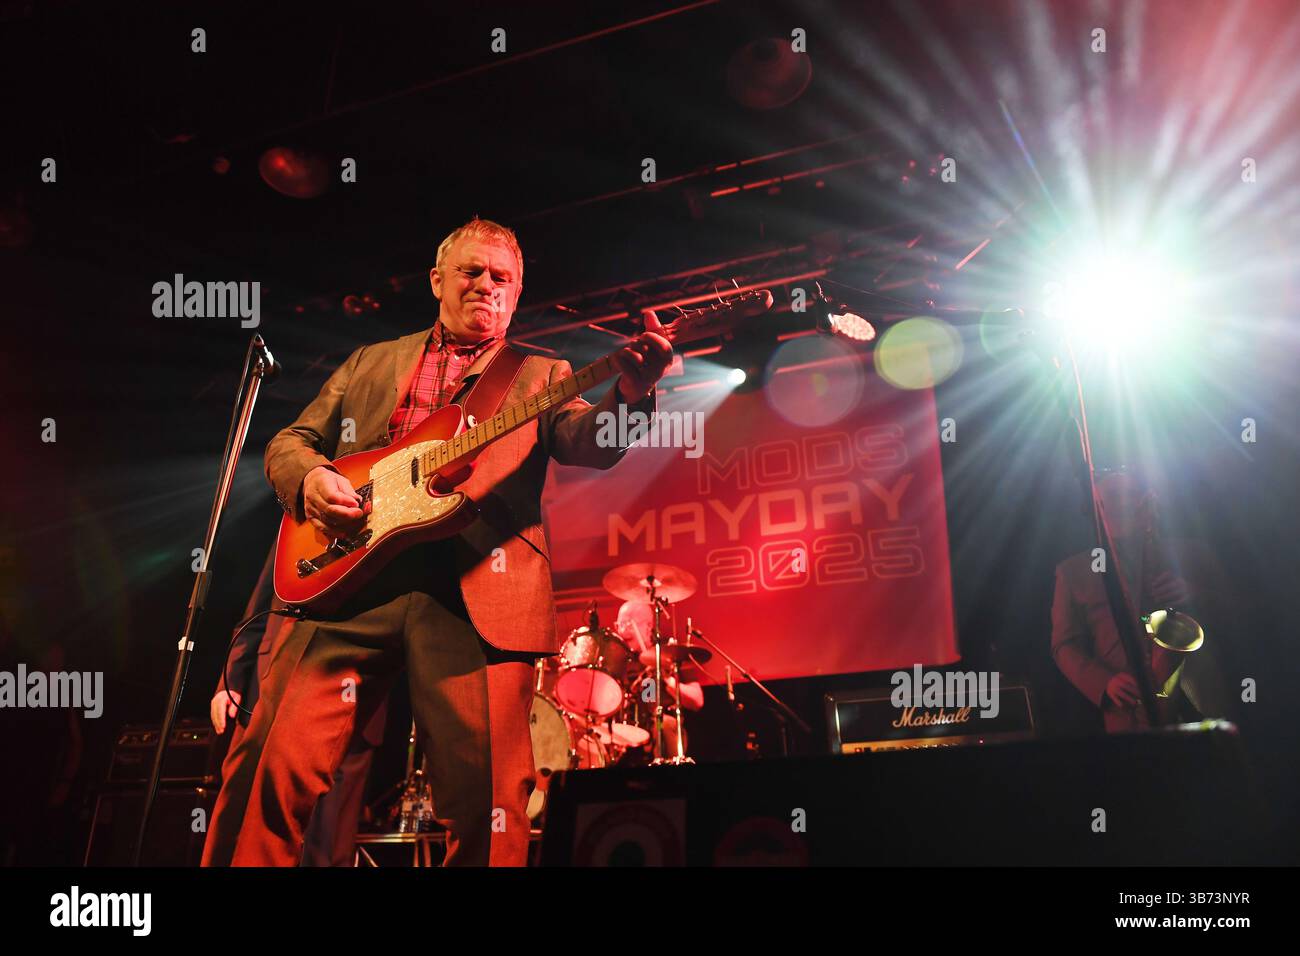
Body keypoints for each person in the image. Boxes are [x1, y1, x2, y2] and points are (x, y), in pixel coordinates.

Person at [202, 217, 672, 866]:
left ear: (517, 292)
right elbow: (292, 441)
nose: (485, 286)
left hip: (475, 592)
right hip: (341, 583)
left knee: (489, 802)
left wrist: (631, 393)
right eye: (471, 271)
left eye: (500, 278)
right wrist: (310, 478)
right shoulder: (372, 360)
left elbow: (591, 444)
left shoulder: (540, 373)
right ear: (436, 281)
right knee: (264, 772)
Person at [210, 544, 385, 866]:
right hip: (270, 687)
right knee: (244, 823)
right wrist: (230, 681)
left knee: (327, 845)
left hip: (354, 692)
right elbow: (260, 607)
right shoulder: (299, 511)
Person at [1051, 470, 1237, 733]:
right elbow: (1063, 644)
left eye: (1129, 495)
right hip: (1129, 708)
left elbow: (1245, 615)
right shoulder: (1072, 571)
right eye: (1111, 498)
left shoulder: (1194, 553)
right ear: (1097, 507)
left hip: (1203, 701)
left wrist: (1196, 594)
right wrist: (1105, 684)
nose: (1121, 505)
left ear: (1148, 500)